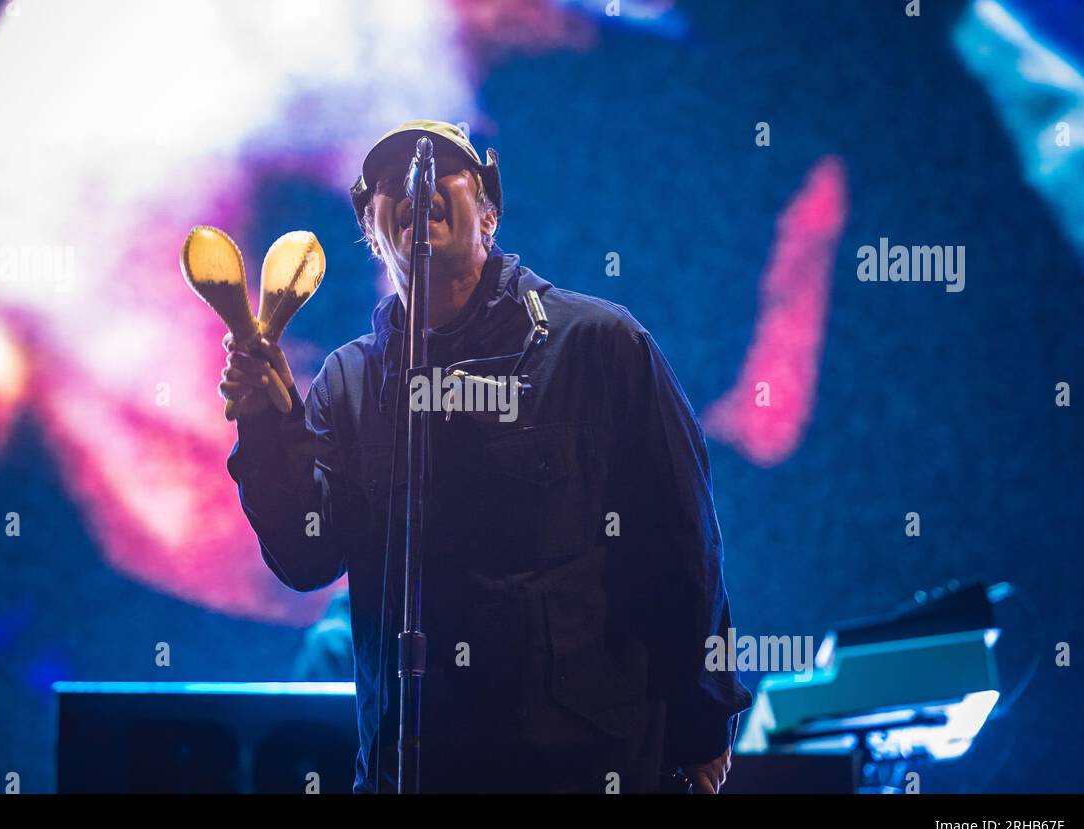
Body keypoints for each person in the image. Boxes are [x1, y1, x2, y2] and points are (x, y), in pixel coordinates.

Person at [221, 120, 751, 793]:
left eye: (443, 168)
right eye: (389, 183)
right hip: (411, 772)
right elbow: (305, 557)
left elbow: (683, 545)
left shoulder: (599, 344)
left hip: (583, 769)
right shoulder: (348, 382)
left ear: (490, 213)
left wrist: (703, 721)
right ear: (371, 229)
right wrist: (269, 430)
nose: (417, 183)